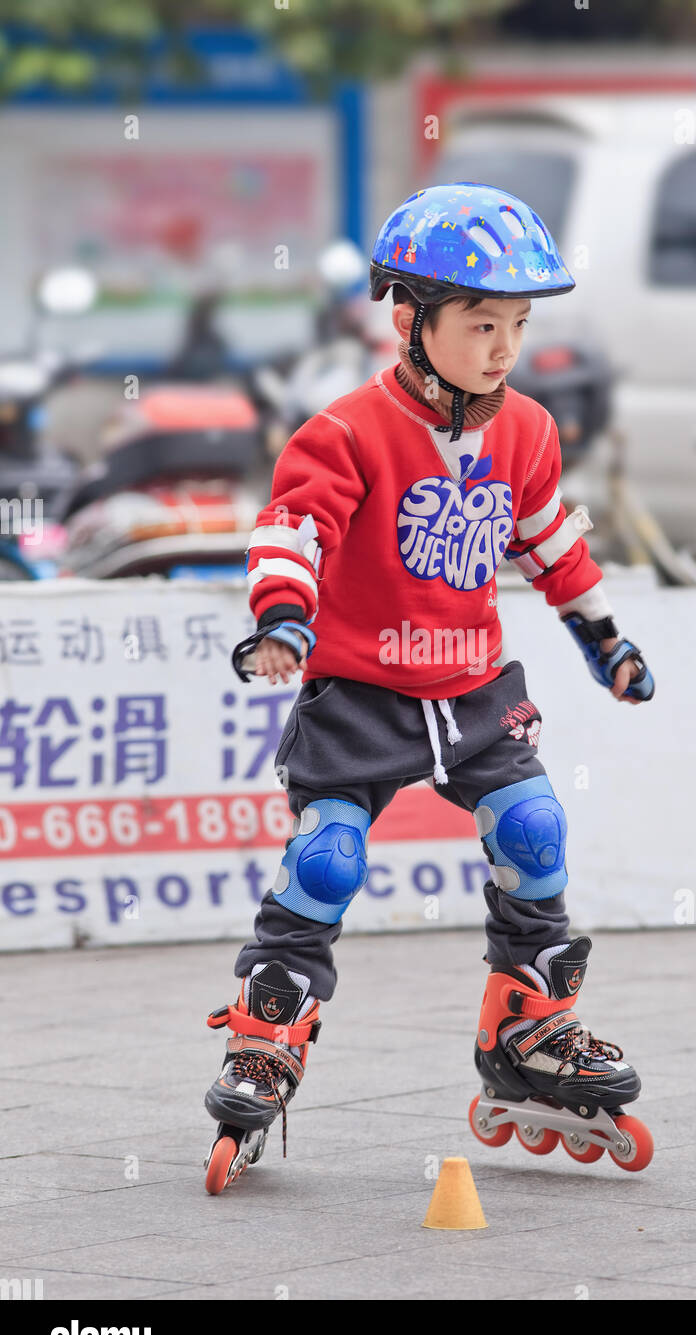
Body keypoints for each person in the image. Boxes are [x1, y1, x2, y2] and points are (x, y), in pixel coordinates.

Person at [203, 183, 655, 1189]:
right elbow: (293, 529)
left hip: (473, 685)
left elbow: (548, 541)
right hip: (361, 688)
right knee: (327, 856)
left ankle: (527, 1030)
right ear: (408, 318)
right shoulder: (348, 431)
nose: (503, 348)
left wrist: (603, 638)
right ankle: (266, 1033)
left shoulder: (526, 430)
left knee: (534, 831)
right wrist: (282, 617)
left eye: (517, 325)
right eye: (481, 324)